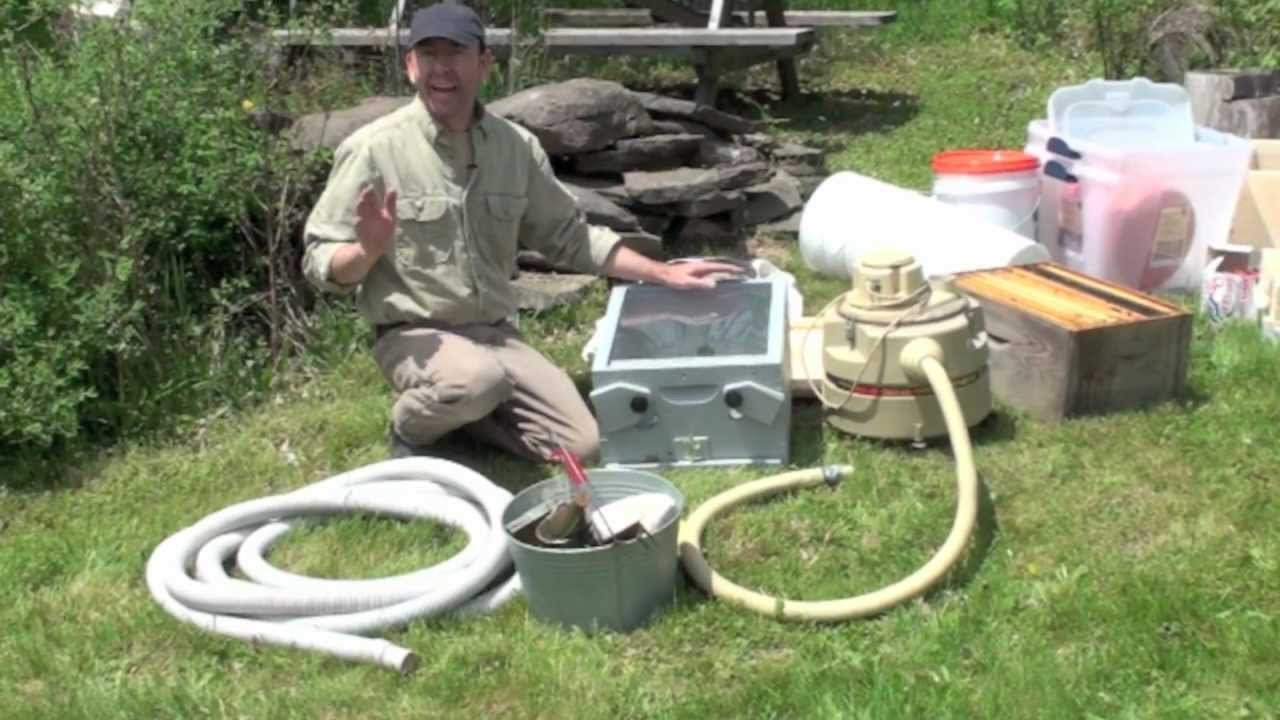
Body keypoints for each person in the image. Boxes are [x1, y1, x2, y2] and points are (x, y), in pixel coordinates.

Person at [302, 2, 742, 463]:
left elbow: (570, 238)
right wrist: (366, 252)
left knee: (582, 444)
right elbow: (319, 259)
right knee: (475, 381)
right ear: (411, 66)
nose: (442, 68)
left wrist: (662, 274)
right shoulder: (373, 150)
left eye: (456, 53)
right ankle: (410, 428)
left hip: (494, 334)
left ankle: (463, 422)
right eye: (428, 54)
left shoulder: (516, 147)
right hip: (413, 335)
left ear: (484, 64)